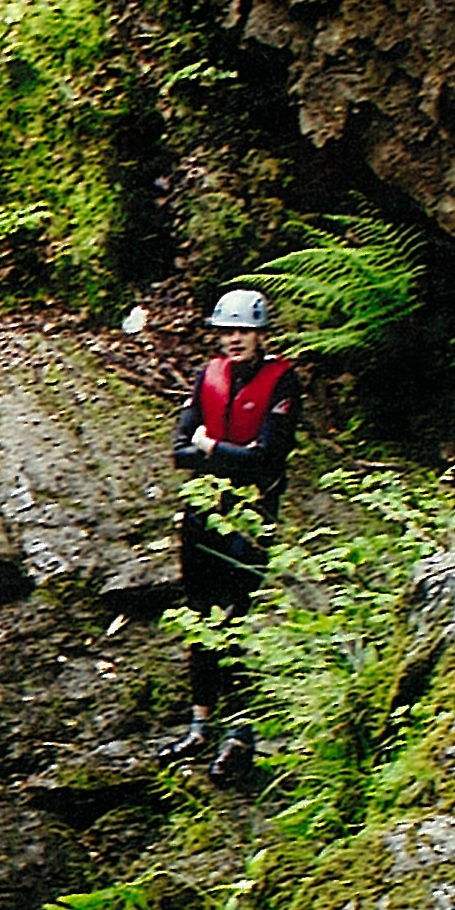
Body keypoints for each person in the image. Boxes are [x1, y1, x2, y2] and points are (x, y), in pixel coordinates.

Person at [167, 286, 301, 786]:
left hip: (251, 515)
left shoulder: (282, 381)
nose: (235, 340)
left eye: (244, 330)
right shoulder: (209, 375)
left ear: (261, 334)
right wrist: (224, 451)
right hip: (204, 511)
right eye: (227, 331)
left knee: (234, 617)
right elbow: (180, 450)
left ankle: (239, 734)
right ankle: (201, 723)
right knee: (199, 615)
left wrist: (212, 446)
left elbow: (268, 457)